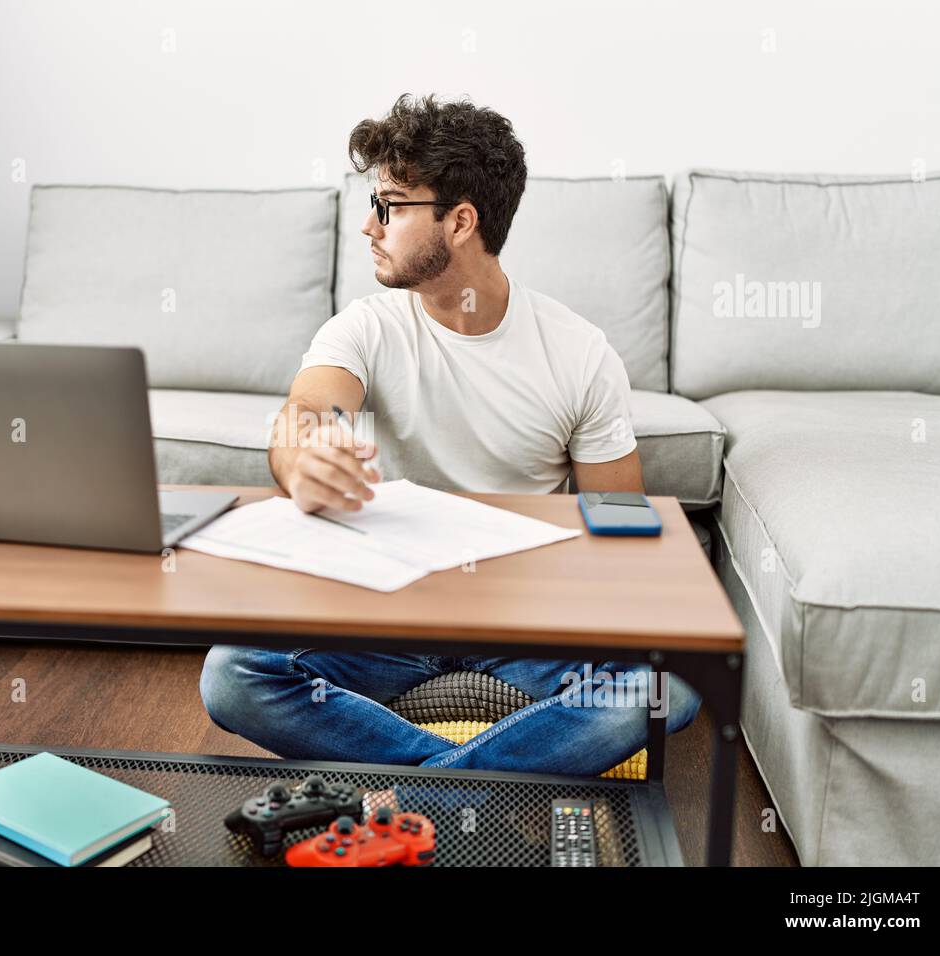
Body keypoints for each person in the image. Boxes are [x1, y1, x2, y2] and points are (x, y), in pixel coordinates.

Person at [200, 94, 699, 774]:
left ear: (460, 220)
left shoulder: (578, 353)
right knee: (233, 675)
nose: (370, 228)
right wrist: (303, 457)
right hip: (383, 621)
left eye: (392, 206)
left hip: (528, 631)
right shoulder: (365, 328)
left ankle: (432, 794)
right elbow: (309, 407)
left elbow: (619, 527)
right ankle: (475, 792)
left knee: (670, 689)